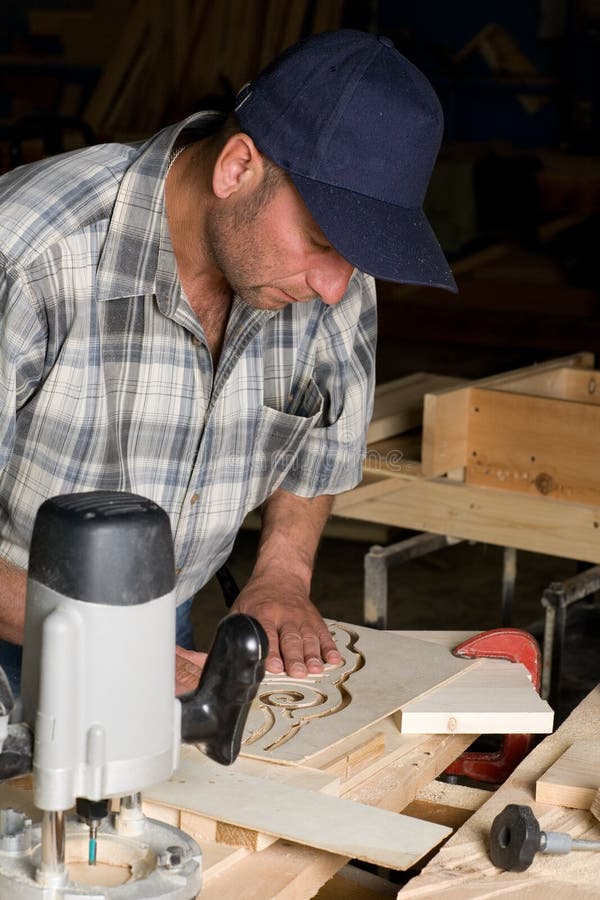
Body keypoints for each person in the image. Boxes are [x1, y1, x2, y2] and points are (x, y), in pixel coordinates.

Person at [0, 29, 456, 696]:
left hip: (161, 626)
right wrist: (97, 639)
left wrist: (281, 575)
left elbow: (318, 451)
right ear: (237, 167)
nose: (335, 288)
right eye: (320, 241)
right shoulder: (28, 253)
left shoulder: (333, 278)